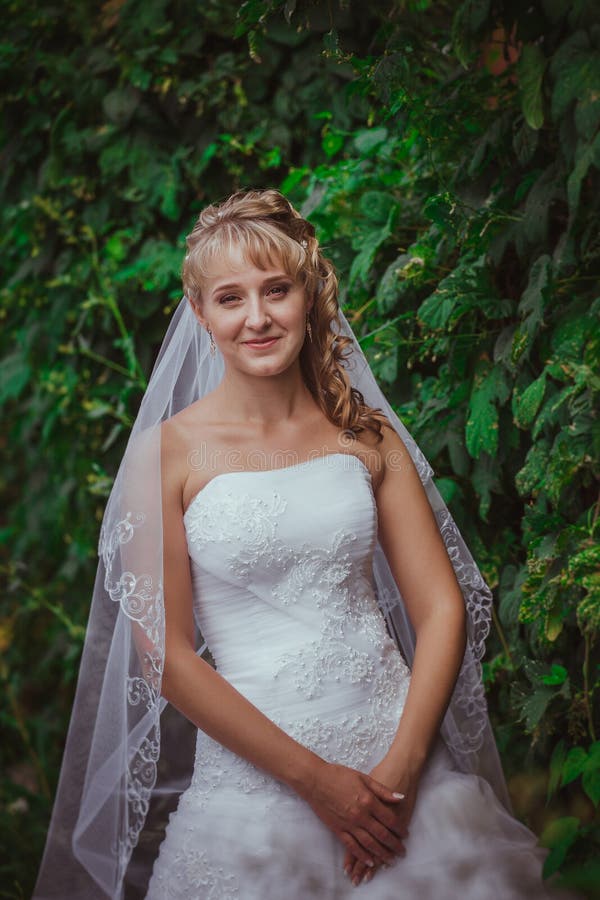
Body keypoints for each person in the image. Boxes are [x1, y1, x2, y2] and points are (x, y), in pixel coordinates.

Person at [34, 190, 575, 900]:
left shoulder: (366, 436)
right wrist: (319, 785)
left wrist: (403, 772)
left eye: (276, 290)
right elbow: (165, 655)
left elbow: (442, 609)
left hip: (407, 779)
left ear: (308, 293)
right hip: (255, 801)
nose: (257, 317)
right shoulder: (164, 456)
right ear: (200, 314)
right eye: (231, 298)